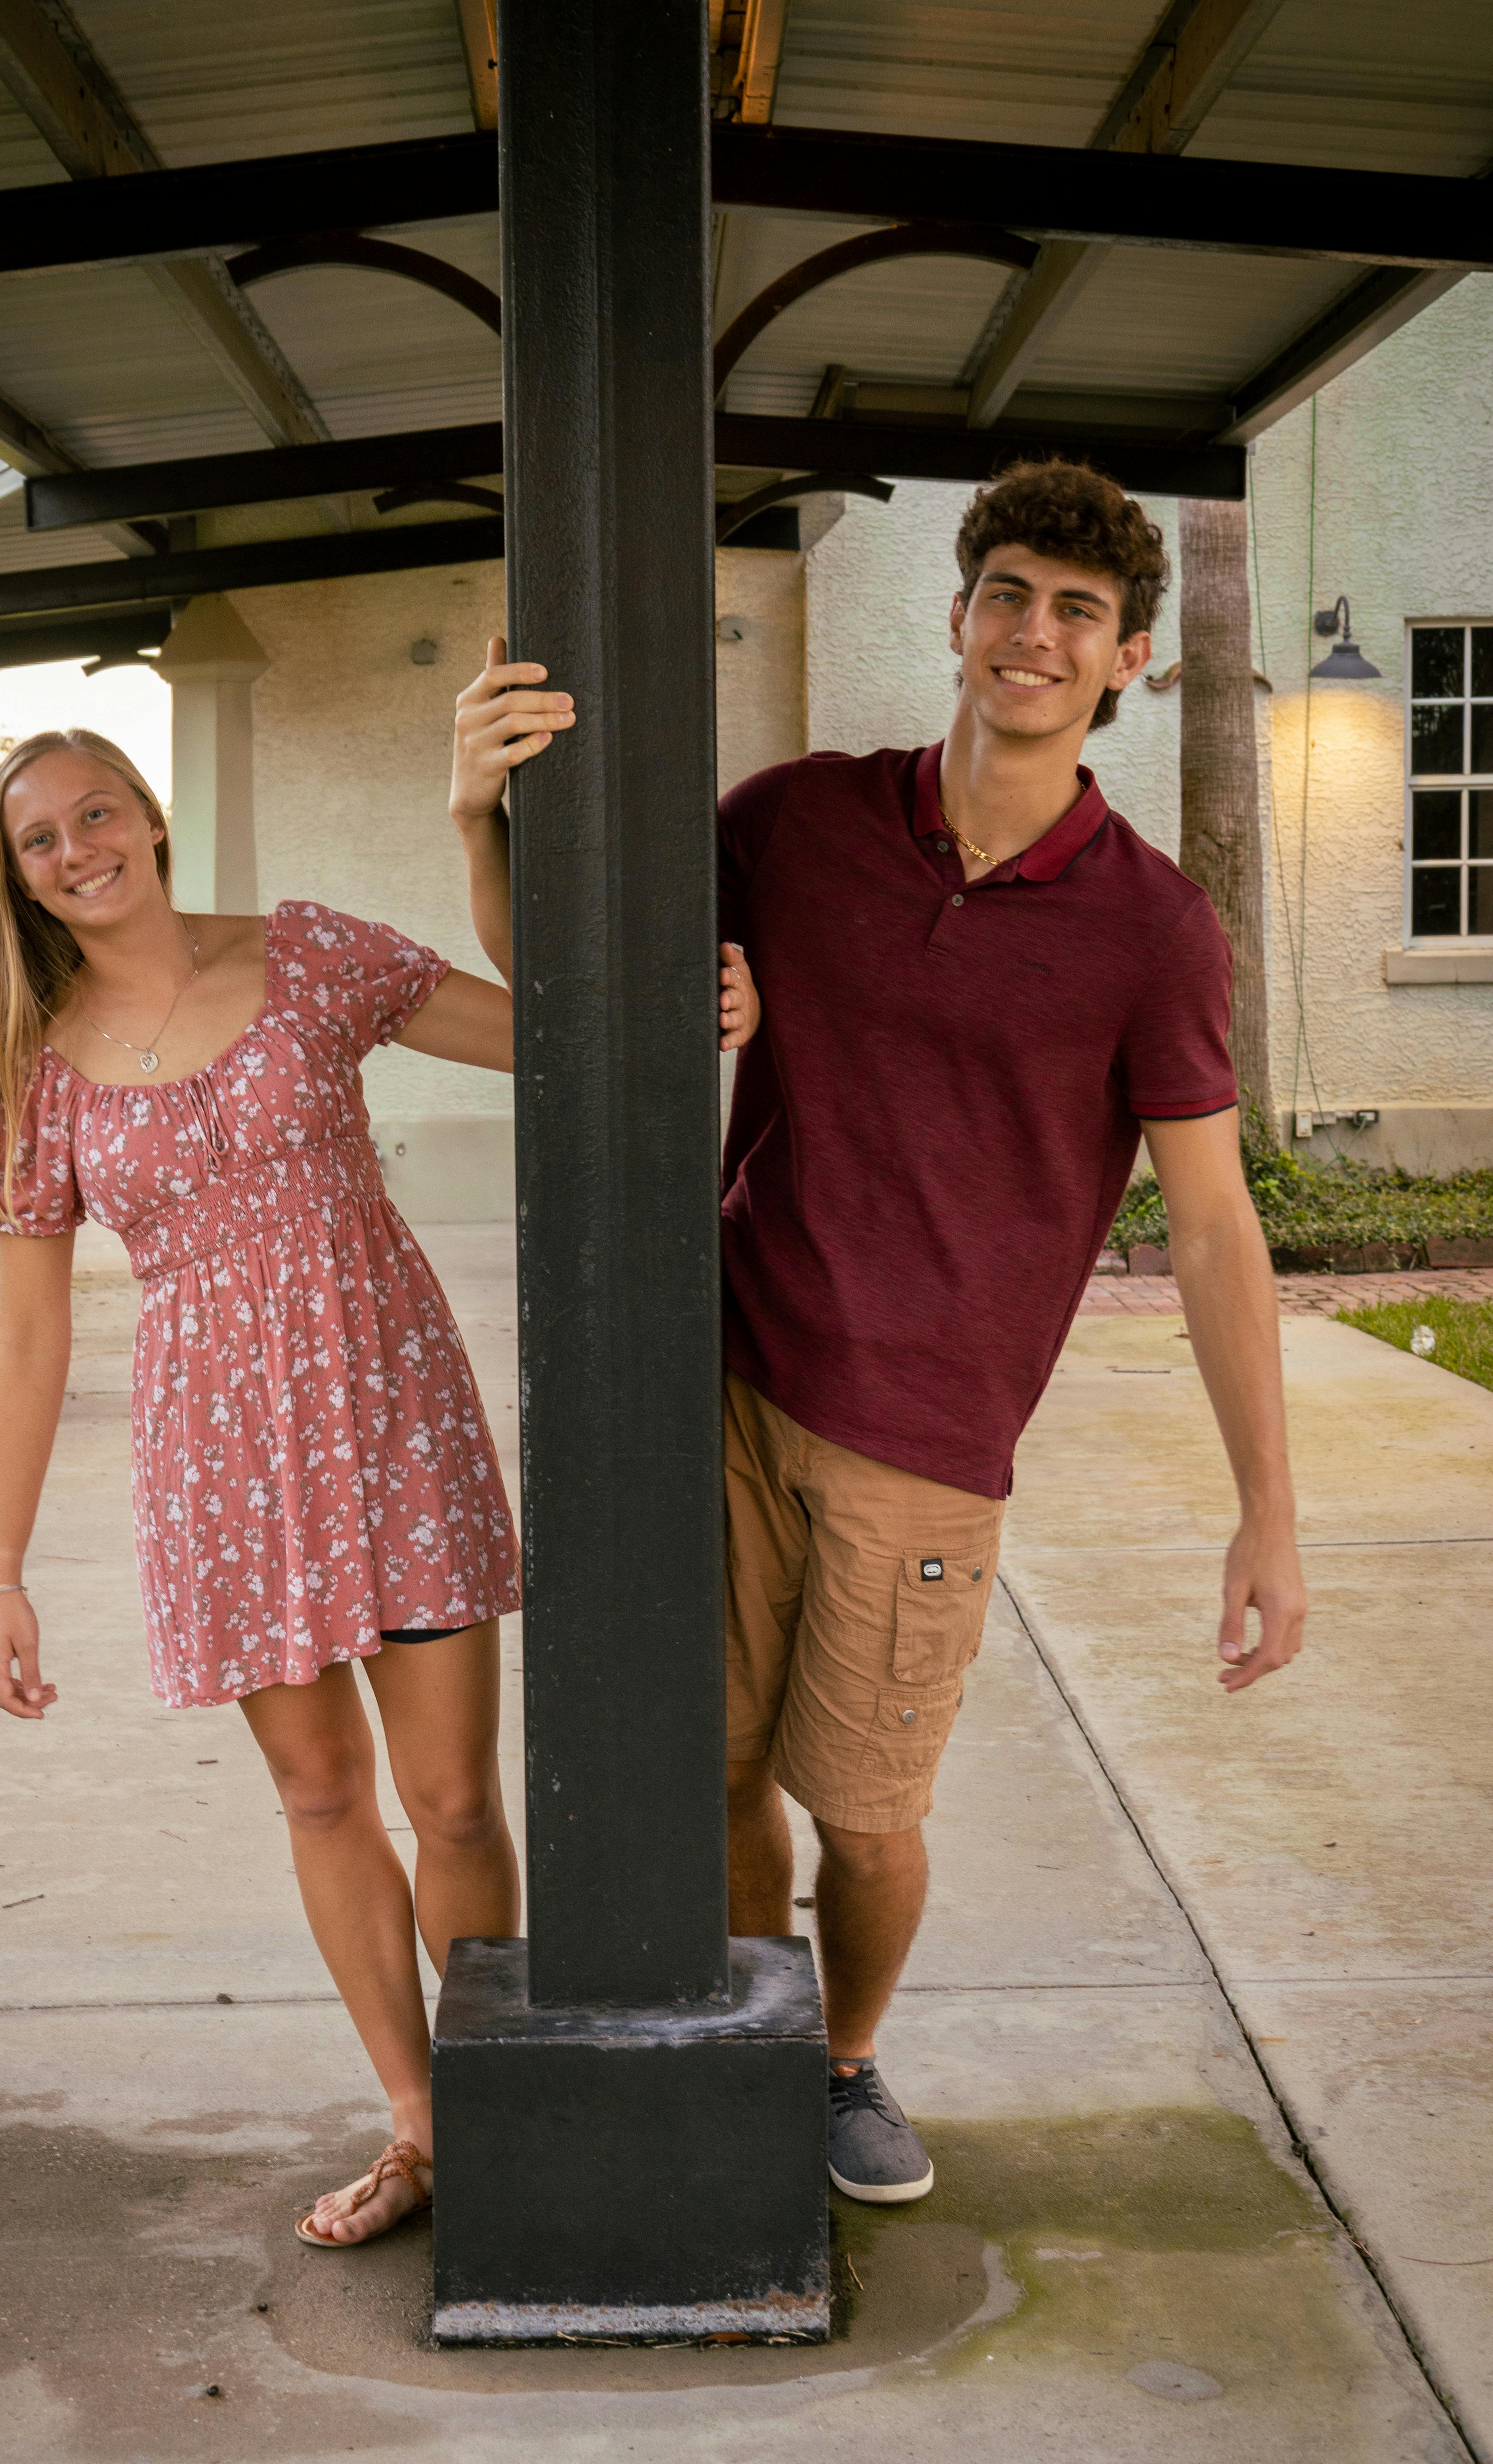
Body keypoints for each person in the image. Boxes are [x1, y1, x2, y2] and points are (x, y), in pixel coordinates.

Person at [457, 458, 1307, 2216]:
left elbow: (1217, 1230)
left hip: (926, 1435)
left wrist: (1268, 1515)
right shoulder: (800, 819)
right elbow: (577, 967)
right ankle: (767, 2048)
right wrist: (479, 817)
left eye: (1078, 611)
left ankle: (842, 2054)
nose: (1035, 633)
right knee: (710, 1773)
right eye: (1009, 592)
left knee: (868, 1810)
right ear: (958, 615)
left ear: (1130, 658)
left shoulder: (1151, 926)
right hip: (734, 1368)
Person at [0, 725, 761, 2252]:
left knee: (454, 1800)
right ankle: (424, 2128)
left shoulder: (310, 955)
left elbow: (547, 1035)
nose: (76, 850)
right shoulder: (32, 1065)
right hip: (216, 1462)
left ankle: (502, 2093)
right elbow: (33, 1331)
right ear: (20, 878)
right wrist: (2, 1568)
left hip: (386, 1411)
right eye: (40, 839)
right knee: (320, 1796)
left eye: (96, 812)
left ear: (149, 816)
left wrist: (682, 994)